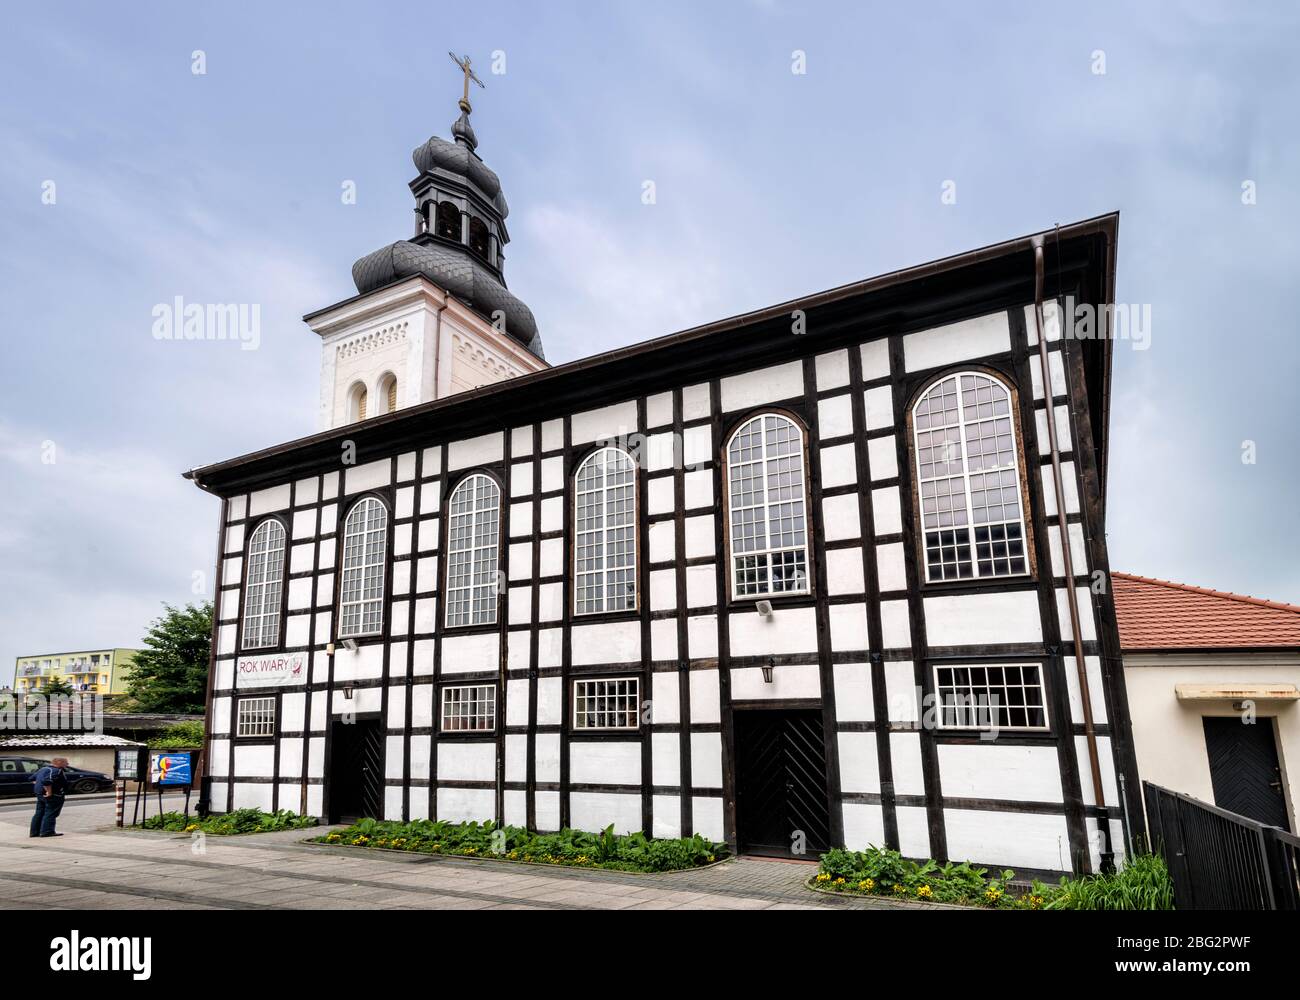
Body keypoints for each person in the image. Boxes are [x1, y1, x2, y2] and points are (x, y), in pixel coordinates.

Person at [30, 757, 69, 838]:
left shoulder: (43, 769)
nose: (67, 764)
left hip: (40, 794)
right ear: (59, 762)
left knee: (39, 813)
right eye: (66, 762)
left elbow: (32, 778)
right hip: (53, 795)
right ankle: (47, 831)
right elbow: (47, 781)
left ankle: (34, 832)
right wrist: (49, 791)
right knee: (50, 813)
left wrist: (39, 786)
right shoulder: (56, 770)